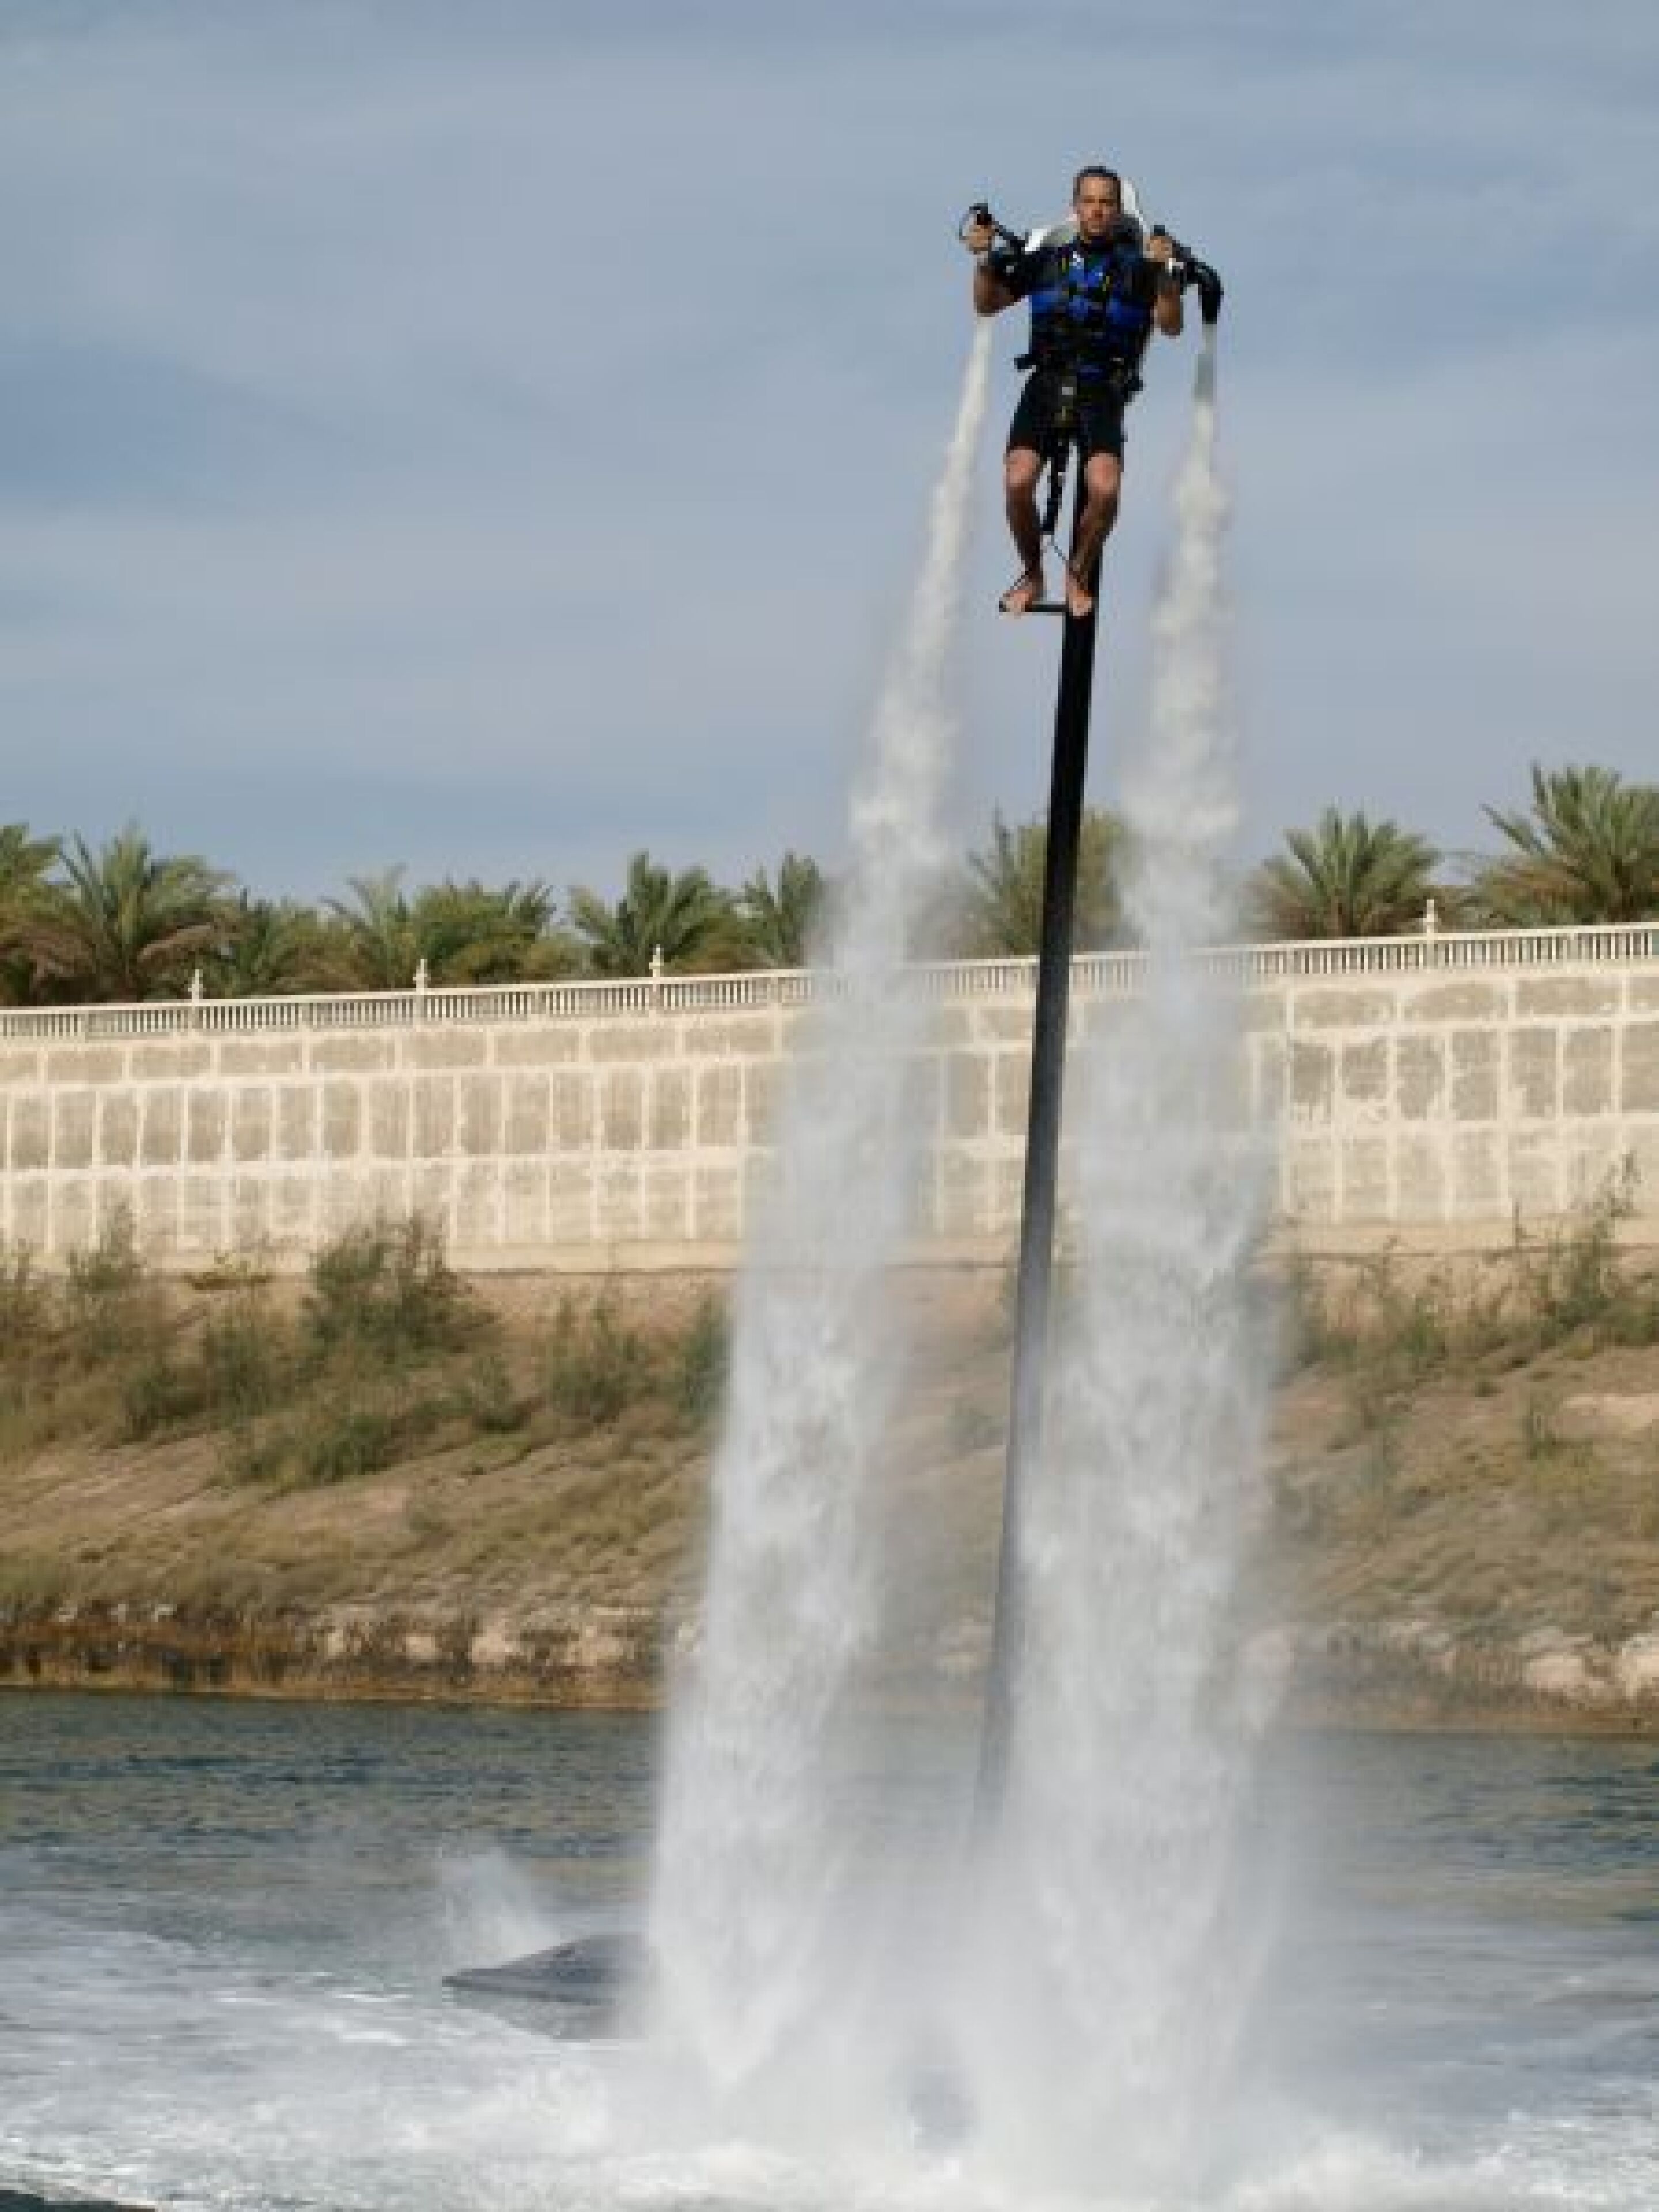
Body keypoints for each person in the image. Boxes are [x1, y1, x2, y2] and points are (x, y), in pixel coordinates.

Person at [964, 166, 1183, 618]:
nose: (1097, 211)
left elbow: (1172, 324)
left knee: (1104, 487)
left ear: (1117, 210)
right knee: (1018, 478)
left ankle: (1077, 571)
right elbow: (987, 304)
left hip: (1101, 388)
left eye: (1106, 202)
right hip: (1046, 383)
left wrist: (1163, 274)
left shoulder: (1136, 270)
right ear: (1076, 206)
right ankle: (1032, 573)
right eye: (1089, 201)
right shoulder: (1047, 261)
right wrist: (984, 260)